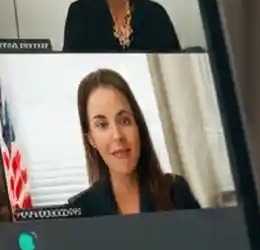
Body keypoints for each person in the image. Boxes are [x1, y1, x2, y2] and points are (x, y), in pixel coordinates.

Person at [67, 68, 200, 216]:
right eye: (102, 125)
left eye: (124, 120)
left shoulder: (176, 193)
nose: (117, 135)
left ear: (138, 126)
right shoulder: (80, 211)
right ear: (91, 139)